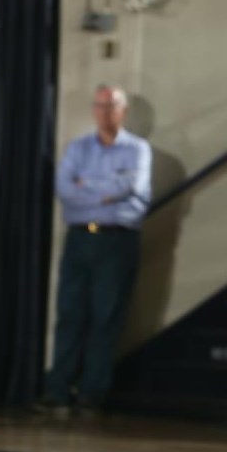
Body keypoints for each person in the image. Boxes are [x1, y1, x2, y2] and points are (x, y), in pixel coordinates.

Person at [40, 85, 152, 412]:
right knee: (69, 314)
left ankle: (91, 393)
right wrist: (106, 193)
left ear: (123, 111)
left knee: (106, 317)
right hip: (78, 238)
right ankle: (57, 390)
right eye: (99, 106)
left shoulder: (138, 150)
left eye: (111, 105)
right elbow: (64, 190)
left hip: (116, 240)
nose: (104, 112)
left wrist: (86, 186)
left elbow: (133, 187)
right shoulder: (77, 148)